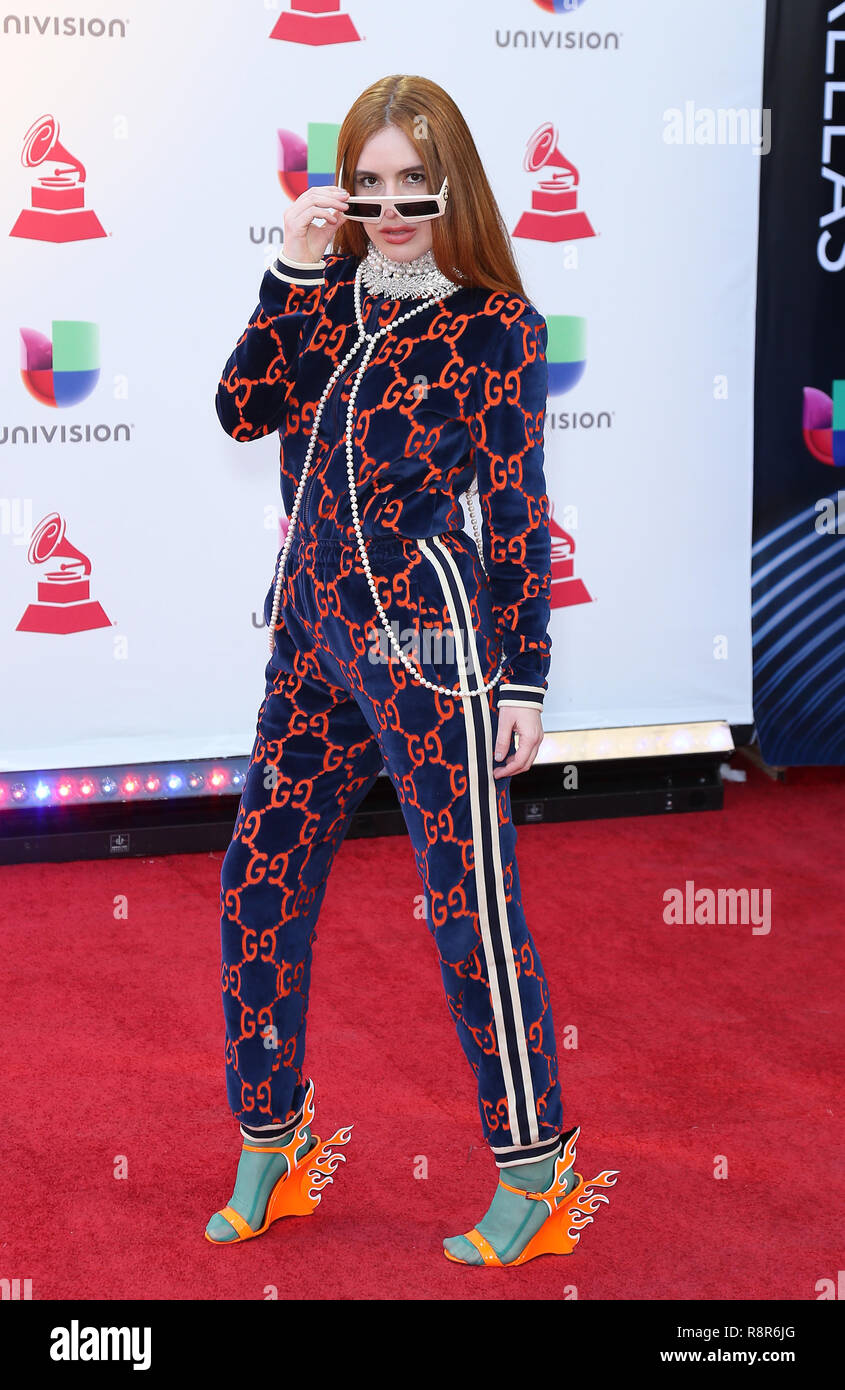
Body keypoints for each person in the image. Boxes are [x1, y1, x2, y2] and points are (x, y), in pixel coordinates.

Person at [206, 74, 617, 1267]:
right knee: (258, 878)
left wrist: (524, 679)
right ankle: (272, 1143)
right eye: (369, 181)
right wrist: (289, 269)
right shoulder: (323, 300)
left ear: (454, 184)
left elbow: (519, 508)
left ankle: (535, 1171)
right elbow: (238, 412)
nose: (391, 206)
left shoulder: (495, 324)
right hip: (310, 632)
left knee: (465, 899)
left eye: (411, 182)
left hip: (428, 641)